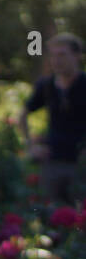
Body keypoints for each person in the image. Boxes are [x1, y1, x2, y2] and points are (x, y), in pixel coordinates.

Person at [19, 32, 86, 204]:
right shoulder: (46, 86)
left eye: (62, 54)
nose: (56, 60)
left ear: (77, 56)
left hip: (80, 163)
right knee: (51, 212)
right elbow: (23, 115)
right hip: (52, 161)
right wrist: (30, 145)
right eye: (53, 55)